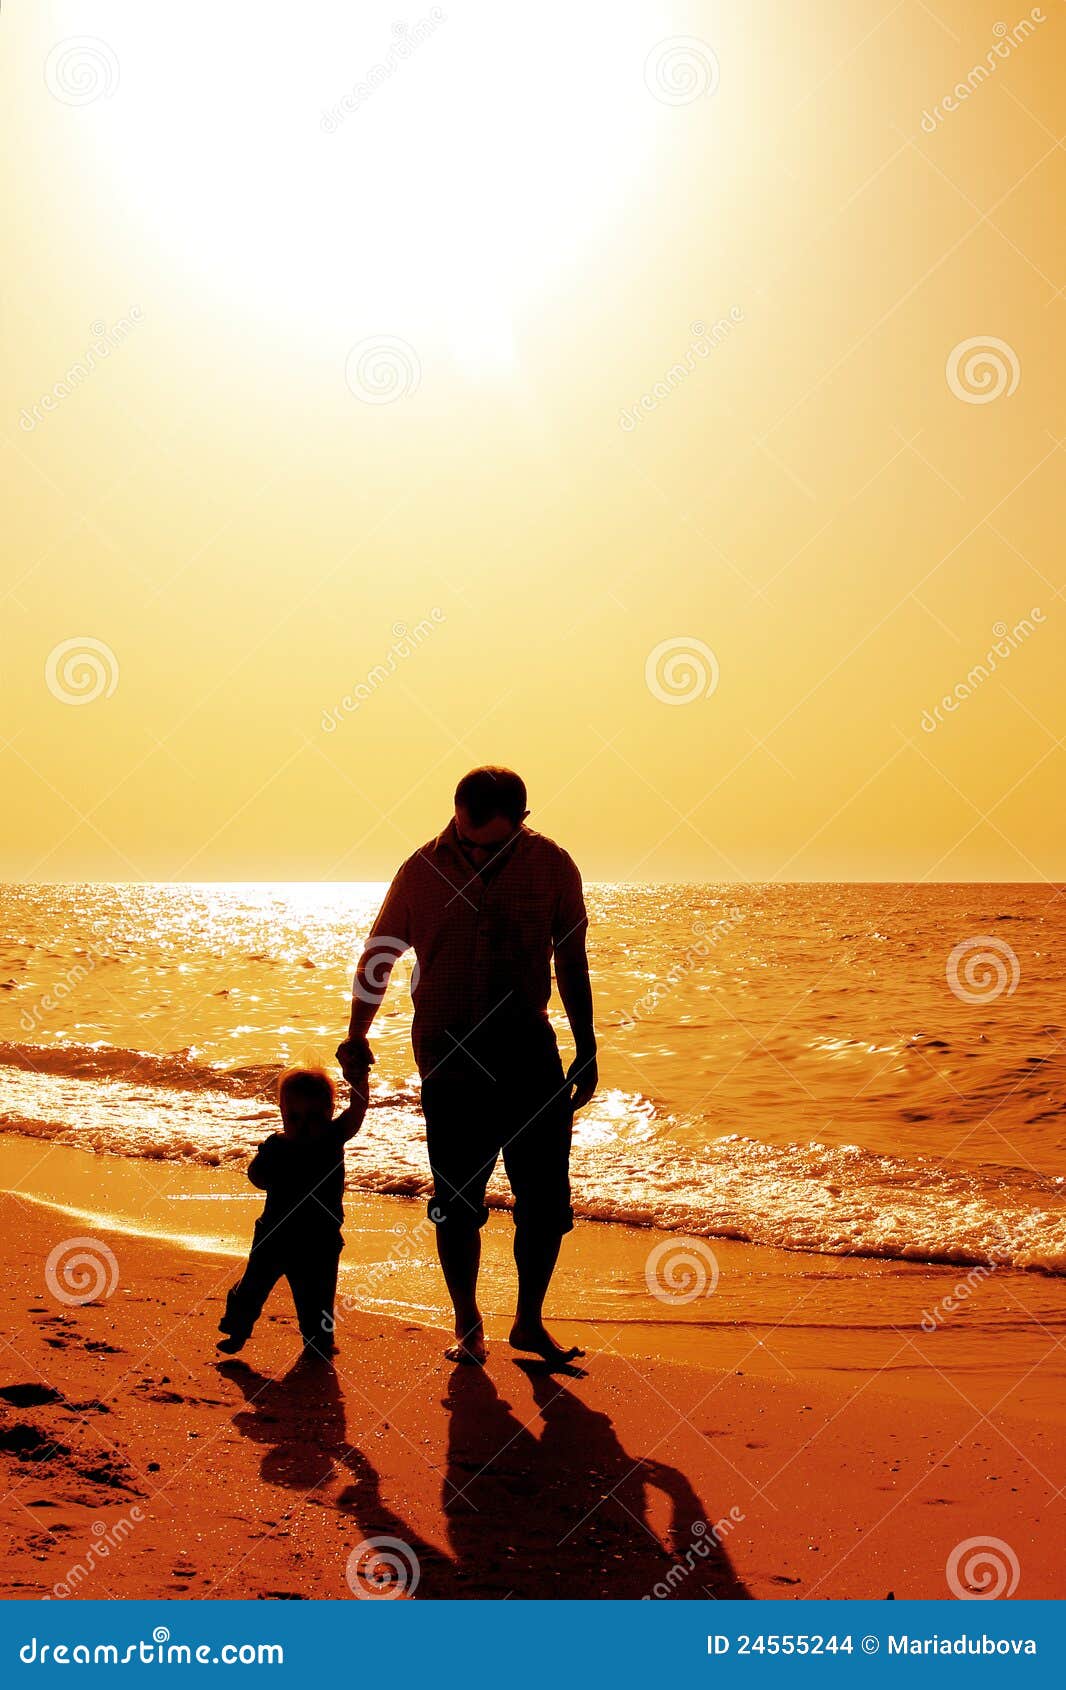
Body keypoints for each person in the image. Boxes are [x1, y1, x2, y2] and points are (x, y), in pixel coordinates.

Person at [337, 766, 597, 1367]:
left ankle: (528, 1322)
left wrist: (586, 1045)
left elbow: (573, 960)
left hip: (527, 1048)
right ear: (454, 814)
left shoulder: (553, 867)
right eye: (468, 838)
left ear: (522, 823)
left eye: (493, 843)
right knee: (457, 1199)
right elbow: (380, 953)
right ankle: (467, 1323)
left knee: (544, 1198)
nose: (477, 851)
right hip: (449, 1054)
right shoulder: (419, 870)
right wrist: (356, 1034)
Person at [218, 1067, 367, 1361]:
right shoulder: (276, 1146)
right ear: (282, 1113)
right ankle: (237, 1329)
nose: (302, 1126)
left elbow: (357, 1110)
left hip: (320, 1240)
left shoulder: (333, 1138)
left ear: (329, 1112)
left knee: (317, 1300)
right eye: (293, 1118)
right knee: (252, 1287)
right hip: (274, 1235)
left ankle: (319, 1342)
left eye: (313, 1117)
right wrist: (268, 1165)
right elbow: (256, 1177)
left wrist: (359, 1080)